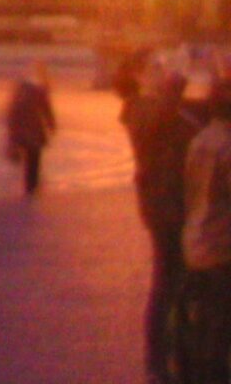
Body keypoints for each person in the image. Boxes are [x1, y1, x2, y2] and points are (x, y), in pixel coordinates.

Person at [125, 62, 198, 384]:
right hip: (164, 209)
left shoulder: (170, 108)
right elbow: (158, 120)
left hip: (183, 206)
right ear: (138, 76)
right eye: (155, 66)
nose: (163, 70)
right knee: (167, 283)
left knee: (185, 283)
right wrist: (181, 77)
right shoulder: (137, 110)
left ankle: (182, 355)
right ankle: (157, 362)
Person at [188, 78, 231, 384]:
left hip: (196, 237)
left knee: (206, 319)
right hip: (221, 244)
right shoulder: (228, 146)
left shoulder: (201, 138)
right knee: (220, 323)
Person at [5, 62, 58, 194]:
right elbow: (47, 110)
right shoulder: (40, 91)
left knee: (29, 156)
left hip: (23, 129)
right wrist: (52, 125)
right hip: (35, 129)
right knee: (34, 157)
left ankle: (30, 183)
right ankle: (32, 183)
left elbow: (12, 112)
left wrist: (12, 132)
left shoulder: (21, 91)